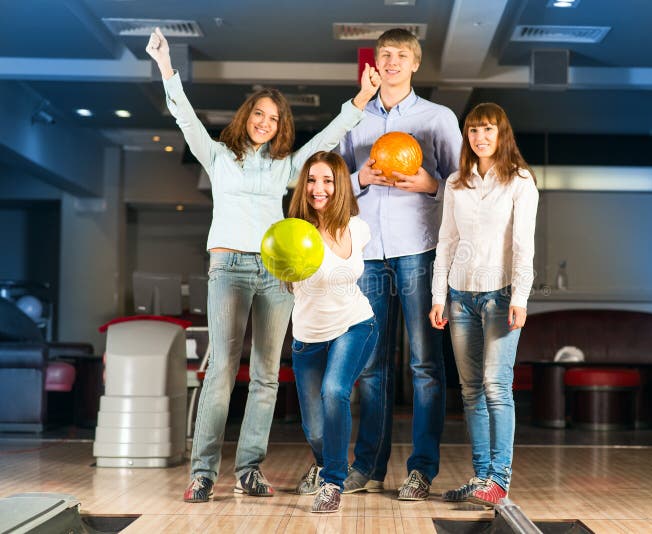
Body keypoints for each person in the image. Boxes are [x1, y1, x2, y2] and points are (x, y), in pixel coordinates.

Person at [144, 28, 381, 503]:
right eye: (259, 114)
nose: (265, 122)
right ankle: (203, 473)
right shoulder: (218, 157)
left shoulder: (284, 168)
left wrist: (360, 99)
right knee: (221, 371)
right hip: (228, 268)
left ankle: (249, 468)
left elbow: (327, 143)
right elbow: (185, 118)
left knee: (267, 375)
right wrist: (167, 67)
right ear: (246, 117)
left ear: (280, 126)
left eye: (274, 118)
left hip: (276, 274)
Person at [329, 28, 463, 501]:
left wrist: (430, 185)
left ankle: (421, 469)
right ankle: (368, 466)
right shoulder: (353, 118)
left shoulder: (438, 118)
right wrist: (359, 177)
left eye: (401, 55)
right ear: (374, 64)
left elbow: (463, 187)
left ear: (414, 64)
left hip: (419, 251)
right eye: (385, 54)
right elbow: (331, 185)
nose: (391, 61)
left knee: (426, 364)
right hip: (366, 253)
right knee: (370, 367)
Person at [429, 103, 539, 507]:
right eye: (473, 131)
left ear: (501, 133)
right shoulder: (456, 182)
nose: (480, 137)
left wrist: (521, 298)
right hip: (459, 298)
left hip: (501, 296)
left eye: (487, 129)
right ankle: (481, 479)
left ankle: (500, 478)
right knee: (471, 390)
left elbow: (524, 246)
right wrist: (439, 296)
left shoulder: (520, 181)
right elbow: (446, 243)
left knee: (496, 386)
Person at [287, 151, 377, 513]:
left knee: (335, 390)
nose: (317, 188)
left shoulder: (358, 227)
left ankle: (333, 483)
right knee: (315, 429)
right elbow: (286, 281)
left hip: (354, 324)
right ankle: (327, 464)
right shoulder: (293, 231)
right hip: (308, 336)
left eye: (326, 180)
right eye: (311, 180)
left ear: (340, 185)